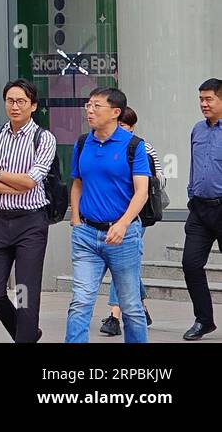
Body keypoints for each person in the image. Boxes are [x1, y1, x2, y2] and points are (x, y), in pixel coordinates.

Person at [0, 79, 56, 344]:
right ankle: (28, 333)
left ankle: (25, 336)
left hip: (30, 223)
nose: (15, 106)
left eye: (21, 101)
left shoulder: (44, 138)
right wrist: (9, 185)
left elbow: (31, 181)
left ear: (32, 106)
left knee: (25, 294)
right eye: (10, 101)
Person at [65, 87, 150, 344]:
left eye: (96, 106)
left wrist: (123, 224)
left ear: (115, 112)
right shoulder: (82, 143)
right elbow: (77, 184)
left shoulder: (134, 145)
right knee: (80, 302)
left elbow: (142, 192)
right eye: (88, 105)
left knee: (131, 306)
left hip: (123, 237)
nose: (90, 110)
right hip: (86, 235)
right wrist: (76, 220)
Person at [100, 106, 157, 336]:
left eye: (123, 125)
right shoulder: (102, 145)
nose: (119, 129)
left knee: (119, 265)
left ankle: (115, 315)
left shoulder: (140, 147)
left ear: (131, 127)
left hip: (135, 218)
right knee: (128, 267)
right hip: (107, 218)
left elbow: (155, 181)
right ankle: (141, 308)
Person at [183, 78, 222, 341]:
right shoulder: (197, 130)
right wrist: (191, 194)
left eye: (209, 99)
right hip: (199, 209)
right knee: (190, 264)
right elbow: (194, 166)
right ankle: (204, 320)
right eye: (201, 99)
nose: (203, 104)